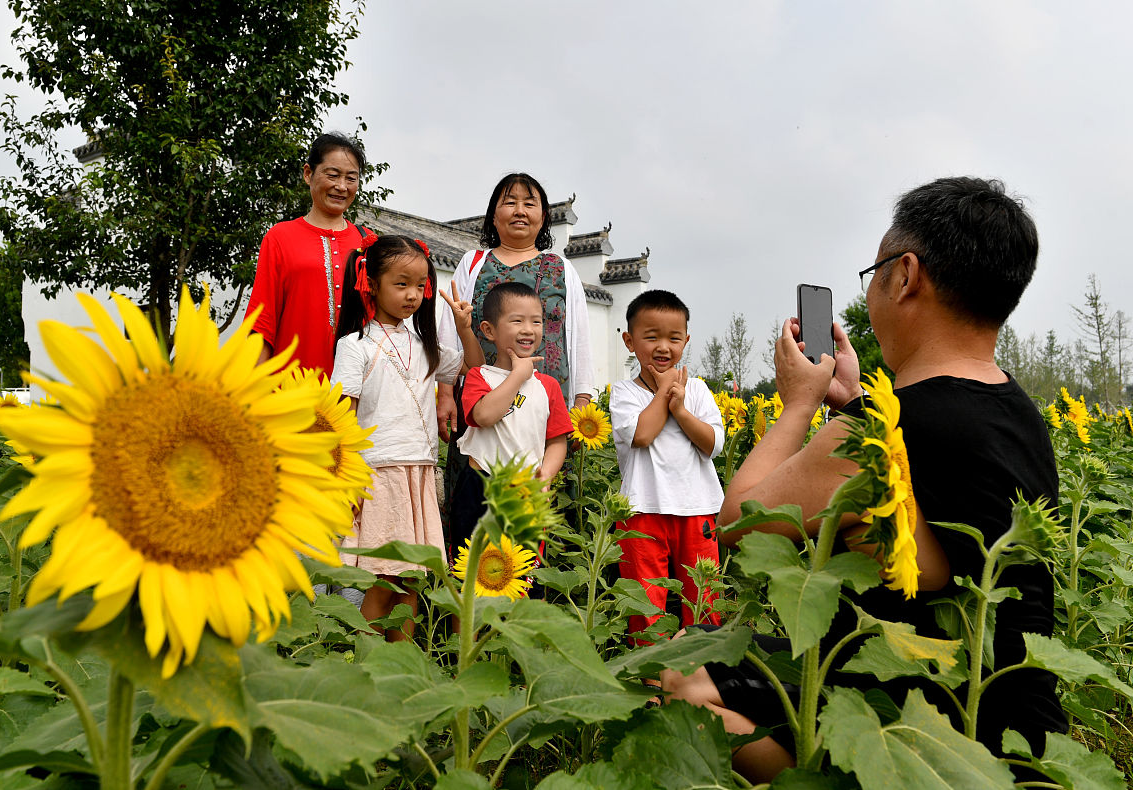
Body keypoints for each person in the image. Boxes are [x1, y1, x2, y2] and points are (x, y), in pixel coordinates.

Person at [661, 177, 1067, 784]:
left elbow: (739, 522)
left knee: (681, 677)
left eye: (873, 271)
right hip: (1017, 714)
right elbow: (931, 457)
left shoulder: (877, 433)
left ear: (905, 275)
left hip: (925, 723)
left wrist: (799, 404)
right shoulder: (1020, 412)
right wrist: (852, 399)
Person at [331, 234, 482, 640]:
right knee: (382, 579)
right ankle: (368, 663)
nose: (413, 294)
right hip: (379, 472)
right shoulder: (355, 345)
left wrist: (465, 327)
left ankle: (401, 664)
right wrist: (343, 482)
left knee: (411, 581)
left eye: (420, 285)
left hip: (418, 472)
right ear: (370, 282)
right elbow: (341, 417)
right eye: (401, 284)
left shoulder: (427, 345)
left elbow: (475, 365)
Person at [436, 173, 594, 511]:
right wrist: (446, 393)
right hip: (483, 402)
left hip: (544, 404)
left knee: (541, 499)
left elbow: (578, 337)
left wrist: (581, 399)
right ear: (494, 215)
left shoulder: (561, 268)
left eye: (529, 203)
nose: (519, 210)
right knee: (476, 501)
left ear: (544, 216)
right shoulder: (474, 263)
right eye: (509, 202)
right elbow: (453, 331)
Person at [610, 290, 724, 640]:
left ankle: (702, 673)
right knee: (644, 599)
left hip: (697, 509)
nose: (663, 347)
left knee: (704, 596)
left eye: (674, 338)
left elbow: (713, 444)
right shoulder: (624, 393)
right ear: (630, 341)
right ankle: (652, 681)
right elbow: (642, 434)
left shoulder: (699, 391)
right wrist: (664, 392)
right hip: (642, 510)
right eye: (651, 337)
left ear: (685, 340)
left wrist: (680, 410)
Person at [448, 282, 572, 555]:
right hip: (481, 485)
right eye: (517, 321)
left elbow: (557, 441)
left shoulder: (548, 386)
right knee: (471, 569)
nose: (528, 329)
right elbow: (483, 415)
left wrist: (547, 474)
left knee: (524, 571)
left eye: (536, 321)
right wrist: (518, 375)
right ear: (489, 330)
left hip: (526, 489)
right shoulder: (480, 375)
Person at [244, 133, 367, 375]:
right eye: (332, 175)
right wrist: (255, 392)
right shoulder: (280, 237)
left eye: (351, 178)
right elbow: (262, 322)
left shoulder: (368, 242)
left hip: (355, 393)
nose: (342, 186)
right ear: (308, 173)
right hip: (290, 390)